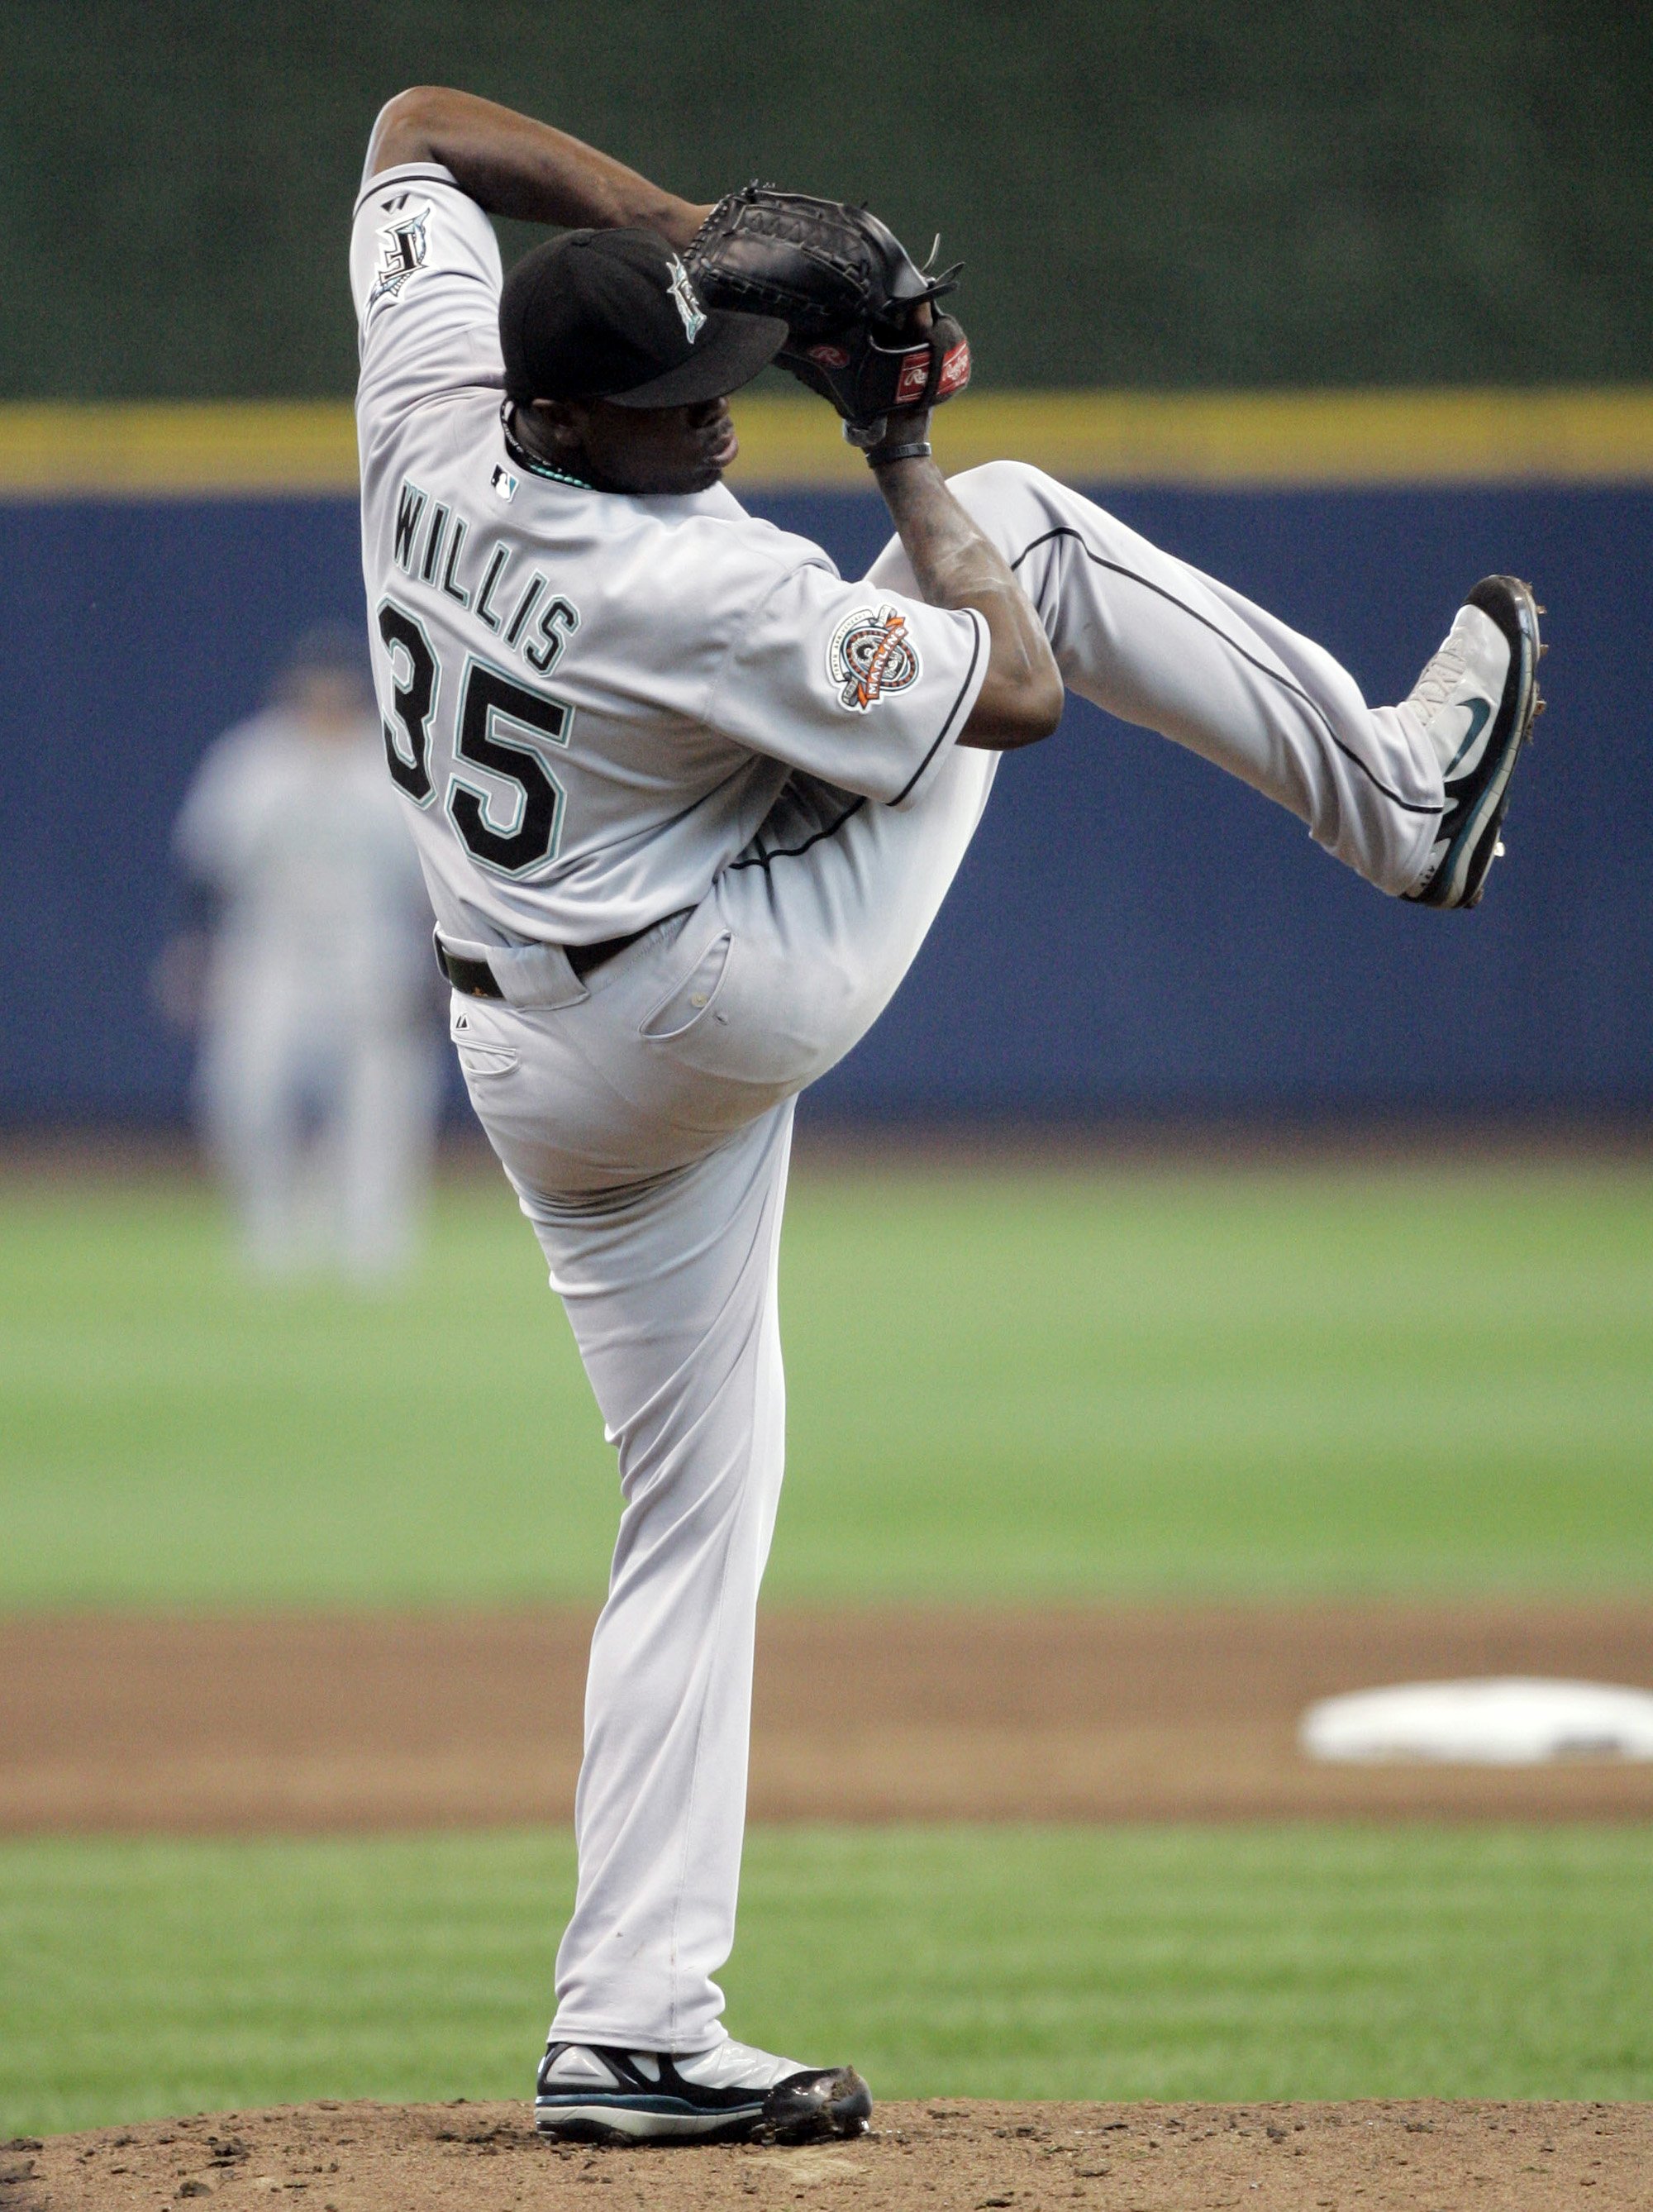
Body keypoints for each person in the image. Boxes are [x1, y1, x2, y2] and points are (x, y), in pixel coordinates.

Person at [349, 86, 1543, 2143]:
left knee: (691, 1517)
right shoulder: (681, 587)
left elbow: (410, 135)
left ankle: (626, 2025)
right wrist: (894, 445)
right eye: (684, 398)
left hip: (534, 1048)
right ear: (570, 424)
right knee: (1031, 541)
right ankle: (1405, 804)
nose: (723, 414)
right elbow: (1008, 693)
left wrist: (684, 225)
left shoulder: (433, 409)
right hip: (706, 995)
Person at [166, 624, 442, 1278]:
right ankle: (268, 1228)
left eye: (338, 692)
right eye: (315, 691)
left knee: (385, 1099)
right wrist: (193, 953)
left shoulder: (391, 762)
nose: (326, 703)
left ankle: (371, 1242)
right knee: (245, 1093)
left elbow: (432, 879)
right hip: (269, 951)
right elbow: (205, 869)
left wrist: (436, 963)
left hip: (370, 949)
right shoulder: (253, 762)